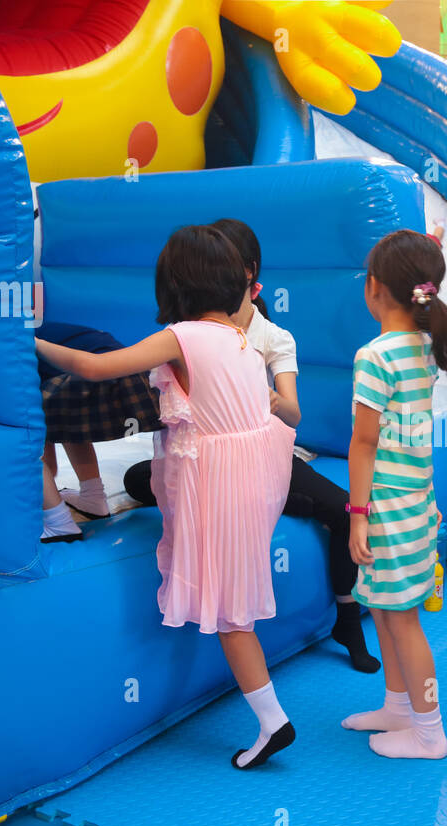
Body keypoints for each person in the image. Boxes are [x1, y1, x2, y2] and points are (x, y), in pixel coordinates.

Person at [37, 225, 298, 769]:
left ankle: (273, 722)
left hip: (220, 480)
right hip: (254, 475)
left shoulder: (185, 336)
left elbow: (95, 367)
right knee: (234, 599)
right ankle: (272, 718)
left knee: (231, 614)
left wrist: (27, 340)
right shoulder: (241, 336)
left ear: (174, 284)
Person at [122, 220, 381, 674]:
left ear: (246, 273)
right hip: (208, 460)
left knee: (340, 509)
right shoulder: (192, 331)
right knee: (138, 479)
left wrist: (277, 400)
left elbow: (295, 415)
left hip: (260, 455)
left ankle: (347, 617)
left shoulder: (271, 338)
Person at [342, 230, 447, 759]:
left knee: (403, 618)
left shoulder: (376, 354)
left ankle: (429, 729)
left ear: (373, 289)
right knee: (388, 610)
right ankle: (398, 705)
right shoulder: (424, 345)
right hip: (416, 500)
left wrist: (357, 516)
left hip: (388, 505)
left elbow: (364, 443)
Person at [35, 322, 164, 542]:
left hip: (96, 374)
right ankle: (93, 498)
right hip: (126, 373)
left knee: (22, 439)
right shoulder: (38, 330)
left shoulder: (10, 343)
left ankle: (58, 523)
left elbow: (48, 460)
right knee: (68, 424)